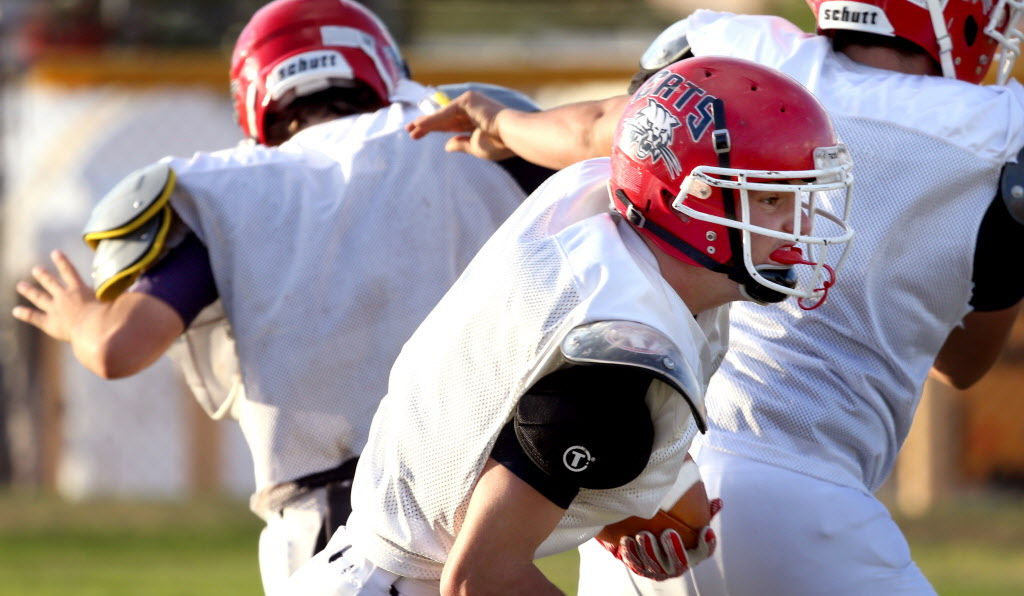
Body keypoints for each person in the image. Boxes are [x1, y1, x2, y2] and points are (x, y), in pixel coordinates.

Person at [408, 1, 1024, 593]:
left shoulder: (744, 59)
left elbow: (596, 128)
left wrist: (499, 122)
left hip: (649, 491)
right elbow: (963, 364)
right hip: (806, 498)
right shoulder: (998, 136)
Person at [9, 0, 552, 593]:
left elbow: (121, 347)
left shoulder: (224, 190)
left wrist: (80, 316)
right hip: (494, 493)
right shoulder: (479, 132)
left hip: (338, 528)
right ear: (378, 65)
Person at [287, 55, 855, 595]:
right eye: (775, 199)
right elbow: (481, 579)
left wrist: (612, 502)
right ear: (691, 202)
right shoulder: (615, 365)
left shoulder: (597, 203)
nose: (799, 227)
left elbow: (517, 421)